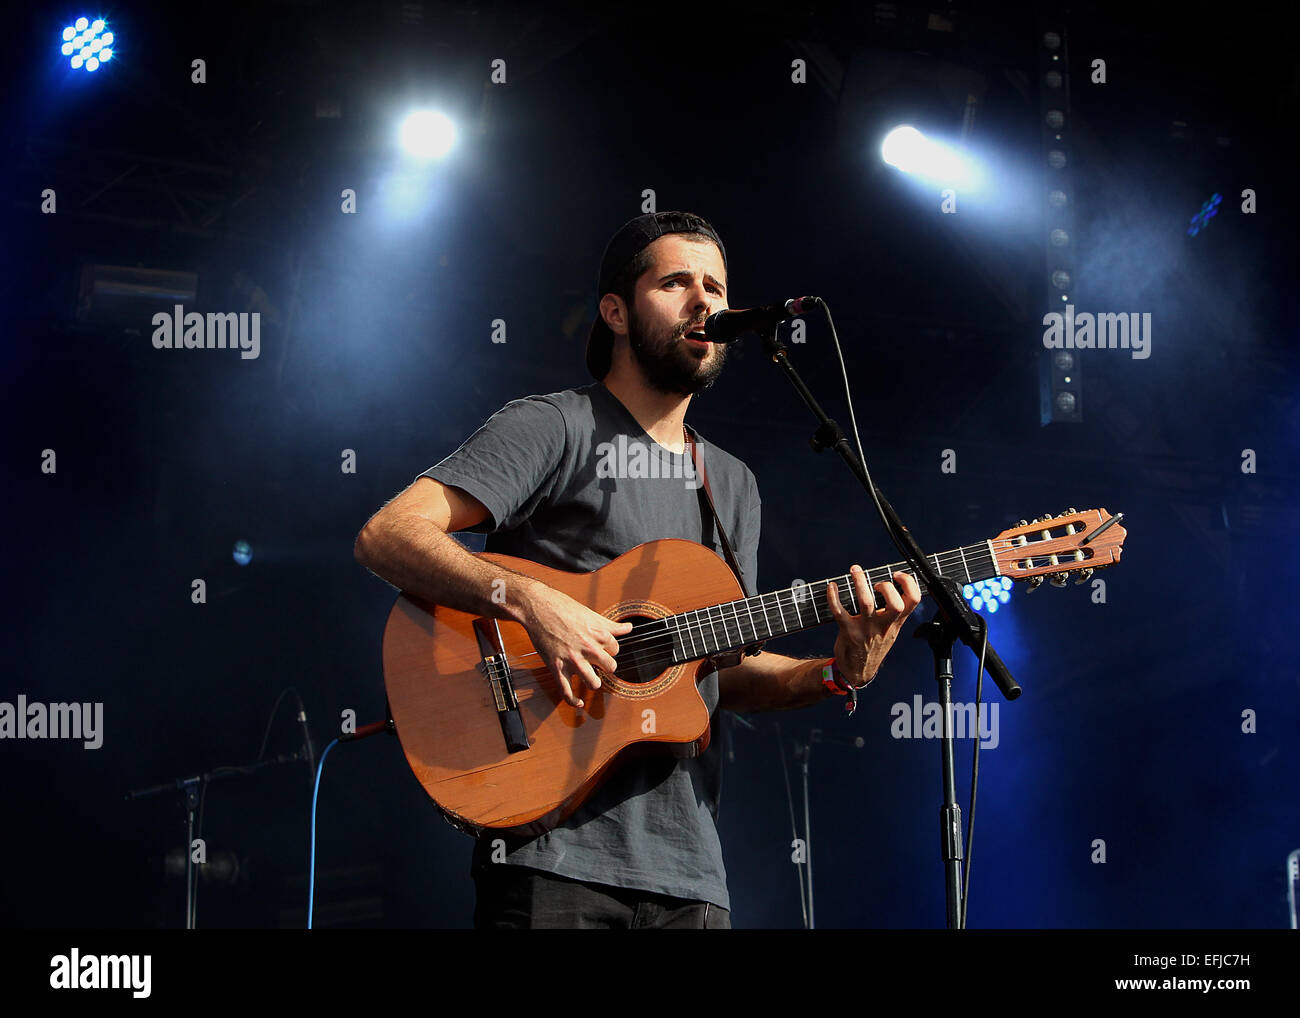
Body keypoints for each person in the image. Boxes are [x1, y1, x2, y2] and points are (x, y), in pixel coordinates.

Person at [353, 211, 922, 928]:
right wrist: (533, 602)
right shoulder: (554, 426)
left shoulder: (732, 483)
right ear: (616, 312)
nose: (705, 301)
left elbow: (709, 670)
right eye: (676, 281)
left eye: (715, 286)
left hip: (690, 875)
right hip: (549, 852)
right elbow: (388, 534)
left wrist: (840, 672)